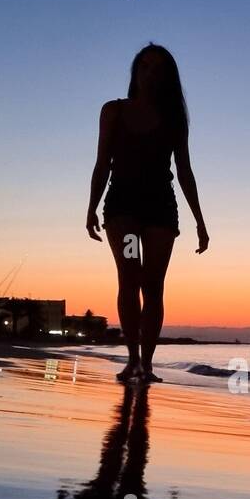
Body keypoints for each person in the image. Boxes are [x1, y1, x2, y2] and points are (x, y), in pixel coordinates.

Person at [86, 43, 209, 382]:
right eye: (145, 67)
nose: (150, 74)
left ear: (168, 77)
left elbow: (184, 170)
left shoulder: (173, 120)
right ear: (135, 72)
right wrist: (91, 208)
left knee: (153, 286)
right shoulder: (113, 111)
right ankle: (132, 359)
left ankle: (148, 364)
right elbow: (102, 164)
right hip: (122, 206)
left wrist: (200, 221)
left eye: (159, 69)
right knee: (129, 278)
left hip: (160, 209)